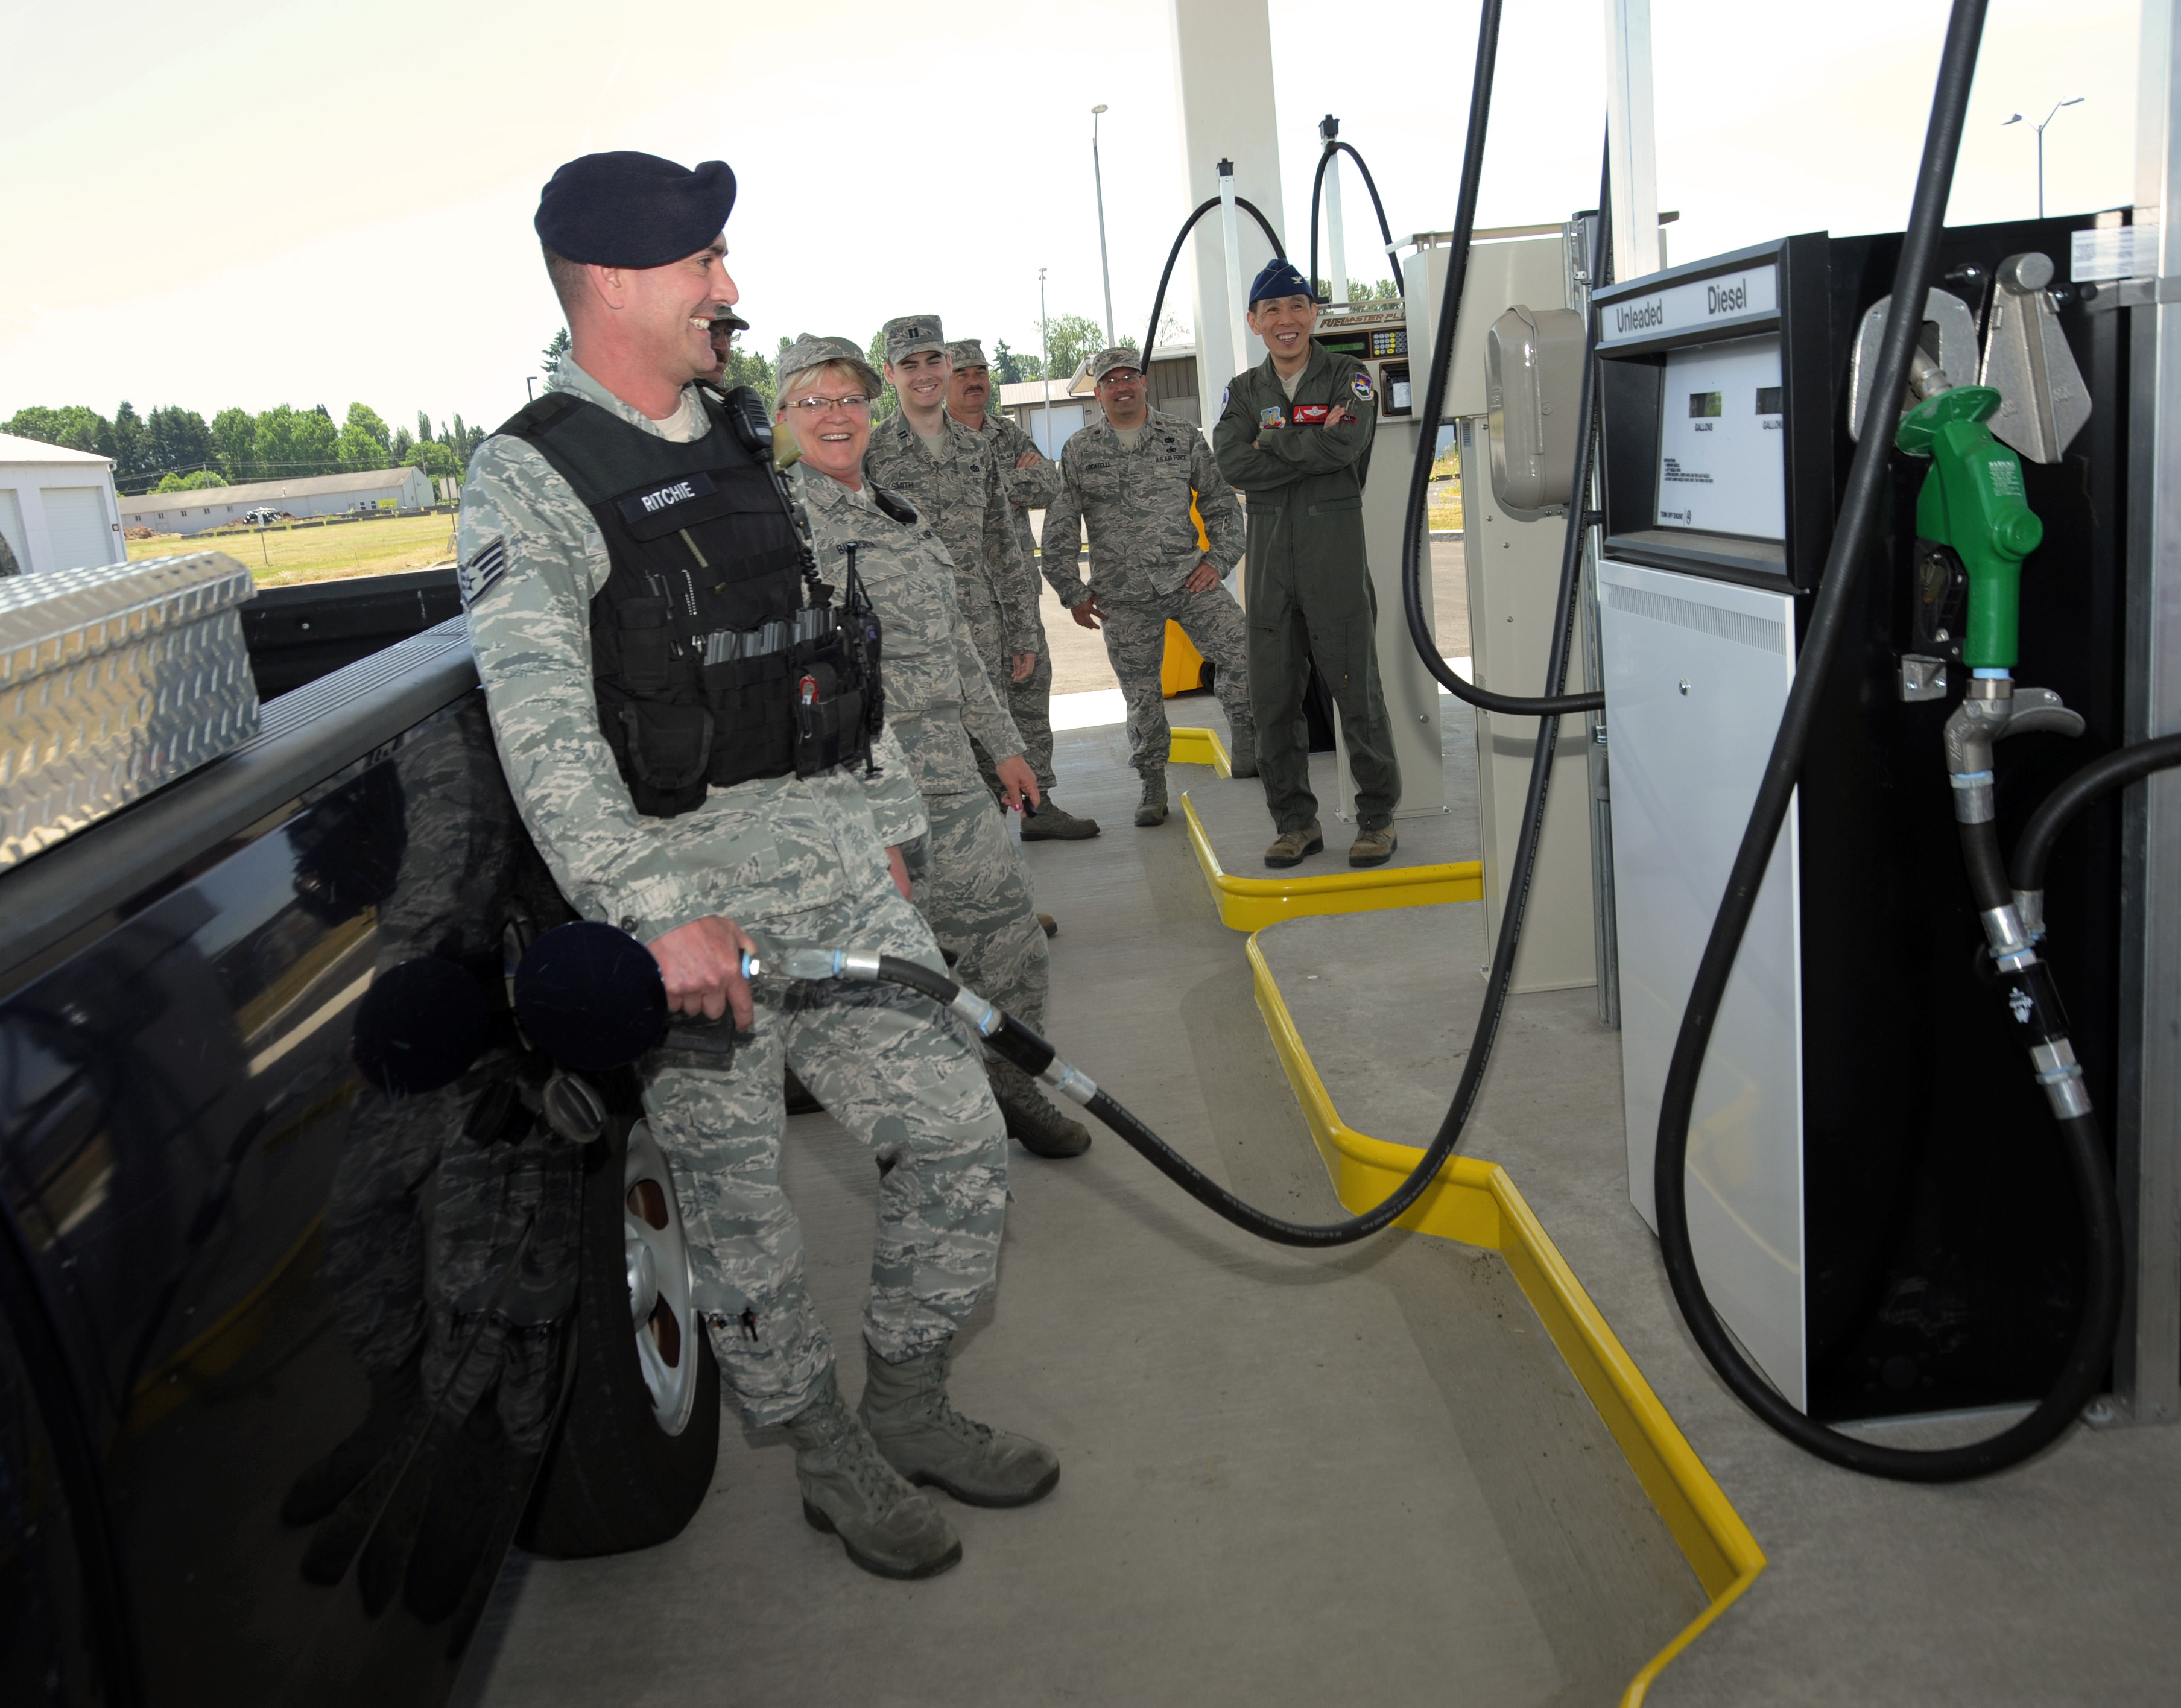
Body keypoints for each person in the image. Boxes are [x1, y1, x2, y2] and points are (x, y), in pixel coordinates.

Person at [457, 152, 1057, 1583]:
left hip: (841, 887)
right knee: (745, 1223)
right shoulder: (528, 476)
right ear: (612, 280)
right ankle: (824, 1451)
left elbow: (821, 649)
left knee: (960, 1141)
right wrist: (660, 921)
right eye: (701, 265)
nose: (728, 289)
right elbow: (545, 744)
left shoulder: (735, 437)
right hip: (697, 936)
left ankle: (907, 1399)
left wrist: (893, 827)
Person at [771, 334, 1090, 1160]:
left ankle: (1010, 1088)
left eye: (849, 400)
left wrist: (1006, 744)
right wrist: (877, 827)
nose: (836, 417)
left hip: (949, 773)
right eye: (814, 402)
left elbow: (953, 644)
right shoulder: (782, 531)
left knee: (1013, 943)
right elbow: (811, 690)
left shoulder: (895, 512)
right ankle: (925, 1143)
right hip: (865, 793)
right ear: (783, 416)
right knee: (888, 990)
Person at [866, 317, 1100, 842]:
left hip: (985, 630)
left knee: (996, 749)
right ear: (890, 373)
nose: (924, 375)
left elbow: (1003, 550)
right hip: (912, 639)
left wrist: (1021, 632)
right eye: (909, 365)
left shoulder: (978, 453)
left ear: (945, 365)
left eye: (933, 361)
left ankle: (999, 873)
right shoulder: (871, 455)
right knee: (938, 764)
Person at [1213, 259, 1402, 869]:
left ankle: (1377, 819)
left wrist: (1268, 441)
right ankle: (1295, 824)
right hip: (1269, 565)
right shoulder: (1244, 391)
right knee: (1272, 703)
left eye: (1296, 307)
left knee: (1357, 697)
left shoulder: (1350, 377)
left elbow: (1346, 443)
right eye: (1271, 311)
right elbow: (1229, 464)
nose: (1285, 321)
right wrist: (1309, 447)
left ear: (1312, 314)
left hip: (1336, 558)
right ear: (1253, 322)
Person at [1040, 348, 1257, 829]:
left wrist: (1217, 562)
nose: (1122, 387)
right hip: (1123, 595)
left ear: (1143, 383)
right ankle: (1153, 784)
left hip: (1187, 579)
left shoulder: (1183, 438)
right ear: (1097, 392)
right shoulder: (1080, 450)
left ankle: (1246, 734)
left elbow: (1224, 505)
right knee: (1142, 694)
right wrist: (1071, 590)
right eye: (1111, 380)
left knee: (1242, 651)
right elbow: (1059, 527)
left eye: (1130, 378)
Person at [942, 338, 1074, 820]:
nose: (975, 381)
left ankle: (1041, 807)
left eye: (980, 372)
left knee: (1031, 697)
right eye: (963, 373)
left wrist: (990, 481)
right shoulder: (932, 437)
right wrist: (1007, 482)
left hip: (1016, 590)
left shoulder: (1007, 433)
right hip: (962, 598)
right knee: (976, 705)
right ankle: (987, 813)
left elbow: (1050, 484)